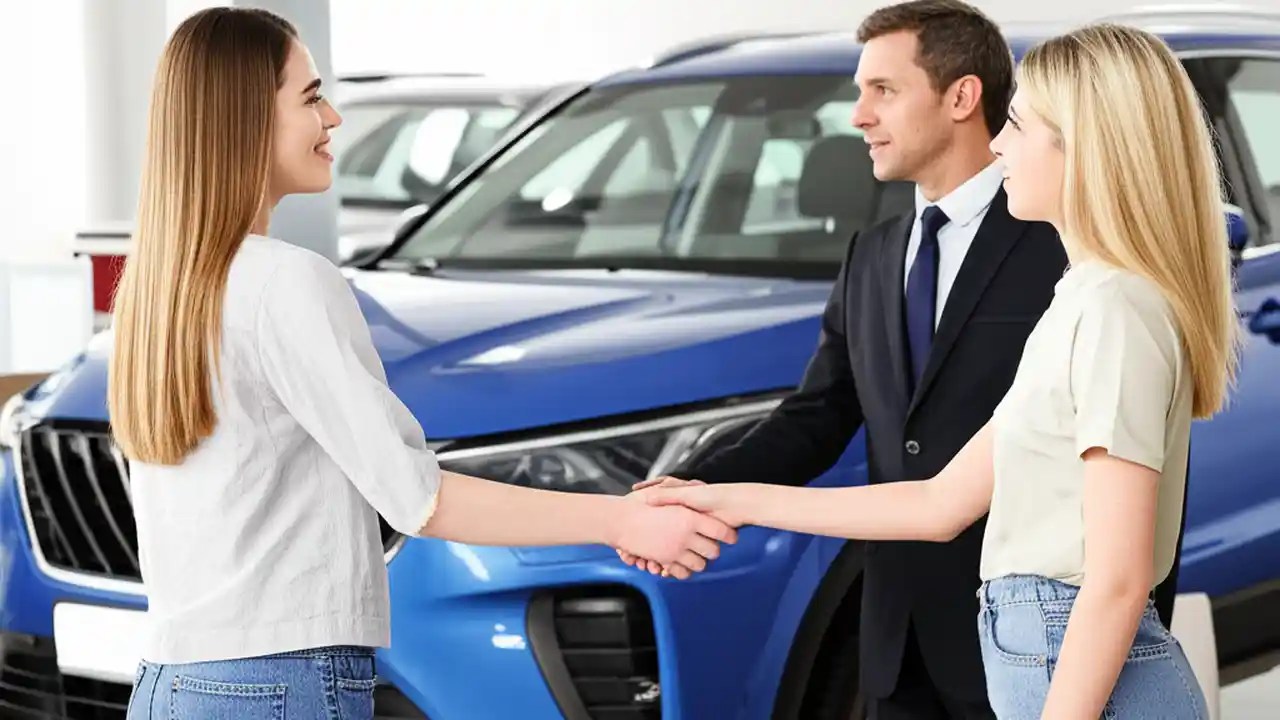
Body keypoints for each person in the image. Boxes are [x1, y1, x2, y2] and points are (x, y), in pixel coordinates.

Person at [109, 9, 734, 720]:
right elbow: (418, 499)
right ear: (247, 116)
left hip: (171, 683)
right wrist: (621, 522)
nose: (334, 116)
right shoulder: (285, 282)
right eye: (311, 97)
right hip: (277, 684)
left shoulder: (157, 292)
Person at [641, 21, 1239, 720]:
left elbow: (1119, 575)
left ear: (1083, 147)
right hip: (1020, 651)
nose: (1000, 142)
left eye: (1017, 123)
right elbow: (936, 503)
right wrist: (722, 499)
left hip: (1070, 665)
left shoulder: (1114, 310)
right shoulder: (1080, 300)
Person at [623, 1, 1064, 717]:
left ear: (961, 96)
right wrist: (689, 486)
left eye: (882, 91)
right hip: (896, 638)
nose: (858, 115)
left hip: (1029, 636)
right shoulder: (874, 255)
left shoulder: (1059, 241)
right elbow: (817, 417)